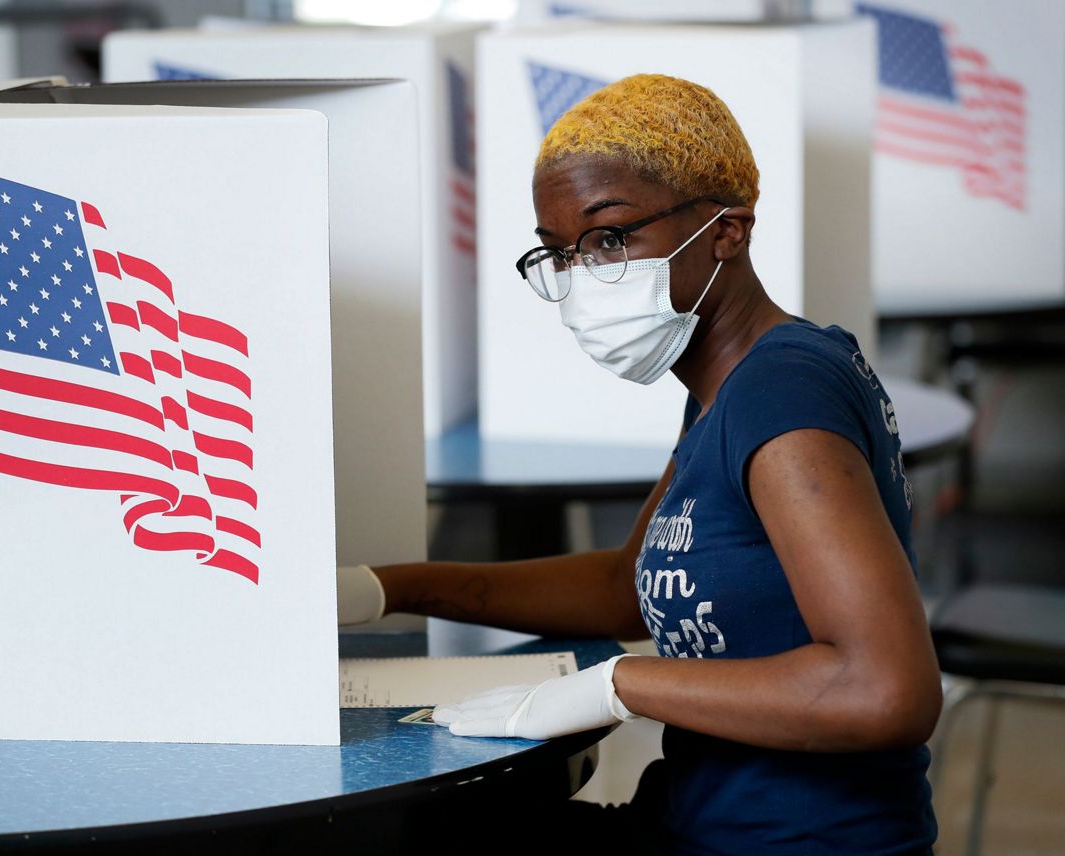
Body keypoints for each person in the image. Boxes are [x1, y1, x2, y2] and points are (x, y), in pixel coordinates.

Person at [338, 73, 940, 855]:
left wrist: (618, 687)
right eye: (560, 253)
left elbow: (883, 690)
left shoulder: (781, 394)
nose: (584, 278)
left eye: (611, 239)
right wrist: (387, 588)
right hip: (696, 822)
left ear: (727, 231)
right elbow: (628, 589)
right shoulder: (730, 386)